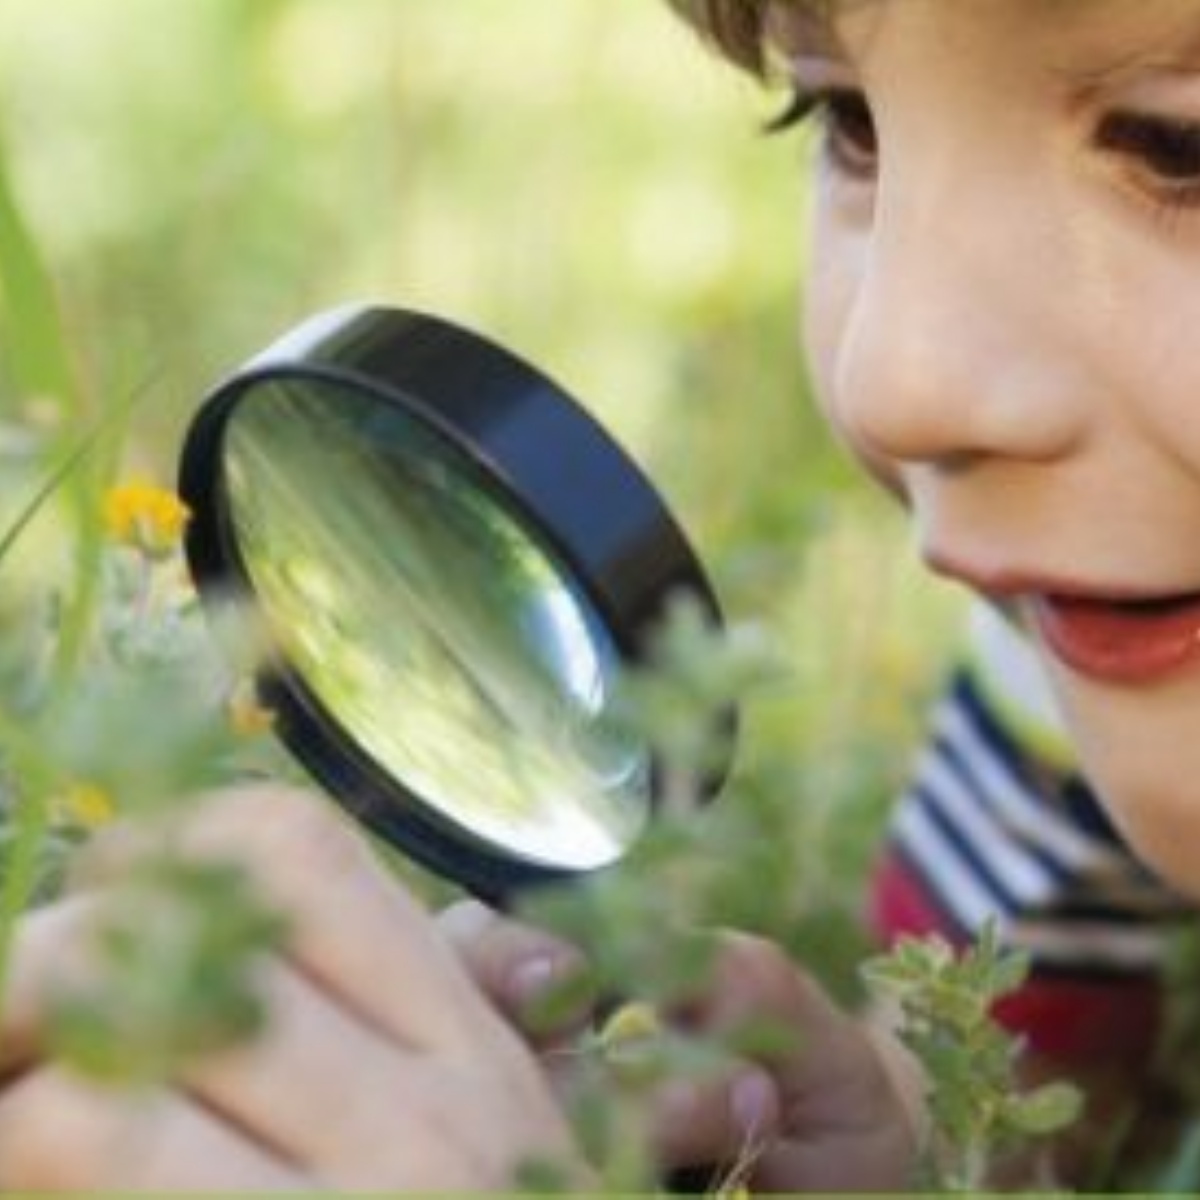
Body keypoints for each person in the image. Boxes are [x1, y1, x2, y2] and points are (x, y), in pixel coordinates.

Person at [6, 0, 1200, 1188]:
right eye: (847, 120)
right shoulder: (1073, 680)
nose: (894, 380)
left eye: (1174, 146)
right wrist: (892, 1158)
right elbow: (1032, 1124)